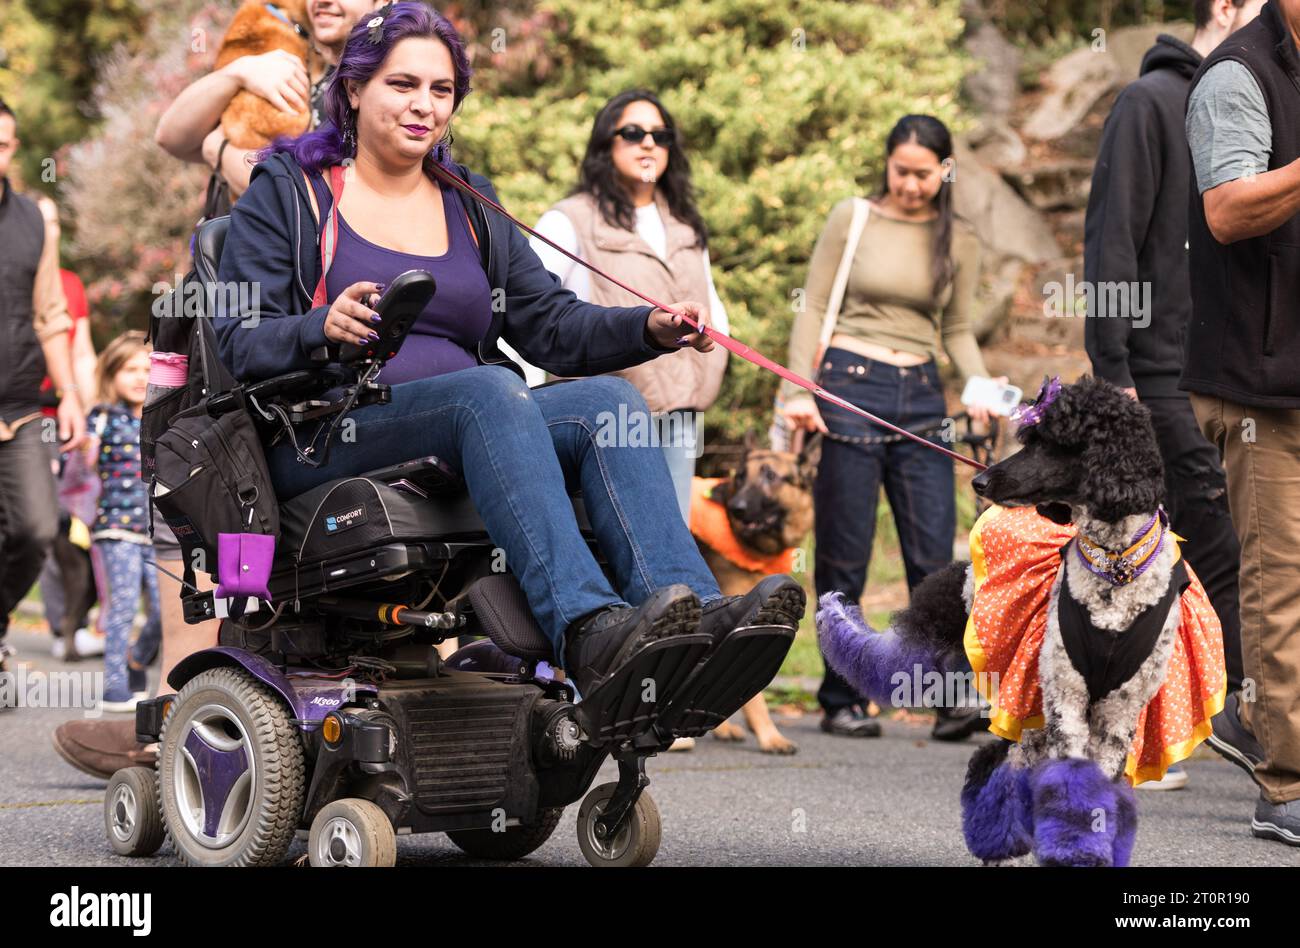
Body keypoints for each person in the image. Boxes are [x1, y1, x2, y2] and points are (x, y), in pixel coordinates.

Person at [211, 2, 801, 702]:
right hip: (322, 434)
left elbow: (551, 326)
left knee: (606, 401)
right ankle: (589, 627)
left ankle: (690, 629)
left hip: (470, 426)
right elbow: (239, 339)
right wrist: (319, 328)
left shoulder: (469, 204)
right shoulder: (291, 194)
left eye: (441, 90)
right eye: (402, 85)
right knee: (489, 390)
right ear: (353, 89)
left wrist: (648, 327)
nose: (423, 105)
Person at [52, 0, 385, 776]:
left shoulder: (389, 79)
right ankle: (178, 716)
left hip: (313, 337)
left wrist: (253, 165)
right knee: (193, 506)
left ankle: (251, 717)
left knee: (258, 516)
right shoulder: (272, 58)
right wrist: (234, 85)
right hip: (220, 326)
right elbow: (172, 134)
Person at [781, 115, 1003, 739]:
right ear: (886, 164)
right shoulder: (852, 219)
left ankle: (948, 697)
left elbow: (956, 328)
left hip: (924, 394)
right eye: (900, 170)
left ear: (945, 171)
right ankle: (840, 696)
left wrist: (980, 385)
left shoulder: (956, 236)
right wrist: (800, 388)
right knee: (845, 553)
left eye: (923, 174)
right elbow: (815, 305)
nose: (909, 184)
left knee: (934, 555)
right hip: (850, 384)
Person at [1083, 0, 1258, 791]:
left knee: (1186, 557)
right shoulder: (1149, 102)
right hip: (1154, 373)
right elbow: (1112, 238)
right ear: (1225, 7)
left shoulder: (1244, 101)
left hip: (1227, 370)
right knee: (1209, 546)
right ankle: (1245, 722)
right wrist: (1112, 368)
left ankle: (1171, 729)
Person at [1182, 0, 1300, 846]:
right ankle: (1286, 785)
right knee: (1281, 585)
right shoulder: (1236, 74)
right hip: (1259, 386)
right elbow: (1227, 209)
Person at [525, 89, 729, 522]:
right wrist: (519, 409)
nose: (649, 144)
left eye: (661, 134)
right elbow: (525, 313)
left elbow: (711, 301)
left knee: (673, 534)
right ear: (606, 143)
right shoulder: (568, 220)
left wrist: (711, 367)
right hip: (607, 419)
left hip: (682, 417)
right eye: (633, 133)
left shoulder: (685, 222)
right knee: (614, 537)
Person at [0, 96, 85, 682]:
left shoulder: (35, 218)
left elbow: (51, 313)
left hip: (25, 408)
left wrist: (74, 395)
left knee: (35, 528)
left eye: (4, 143)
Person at [154, 0, 383, 198]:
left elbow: (309, 200)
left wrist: (220, 150)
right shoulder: (287, 65)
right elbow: (171, 137)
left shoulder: (382, 81)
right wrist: (237, 73)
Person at [84, 332, 162, 711]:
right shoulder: (101, 418)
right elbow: (80, 460)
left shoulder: (163, 418)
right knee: (124, 606)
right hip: (116, 528)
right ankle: (115, 686)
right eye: (129, 369)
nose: (139, 377)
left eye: (147, 369)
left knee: (164, 613)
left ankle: (137, 659)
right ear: (112, 375)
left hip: (157, 530)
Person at [39, 262, 104, 662]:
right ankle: (60, 621)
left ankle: (74, 621)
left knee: (73, 528)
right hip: (27, 417)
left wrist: (90, 412)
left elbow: (81, 352)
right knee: (45, 528)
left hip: (65, 419)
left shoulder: (69, 284)